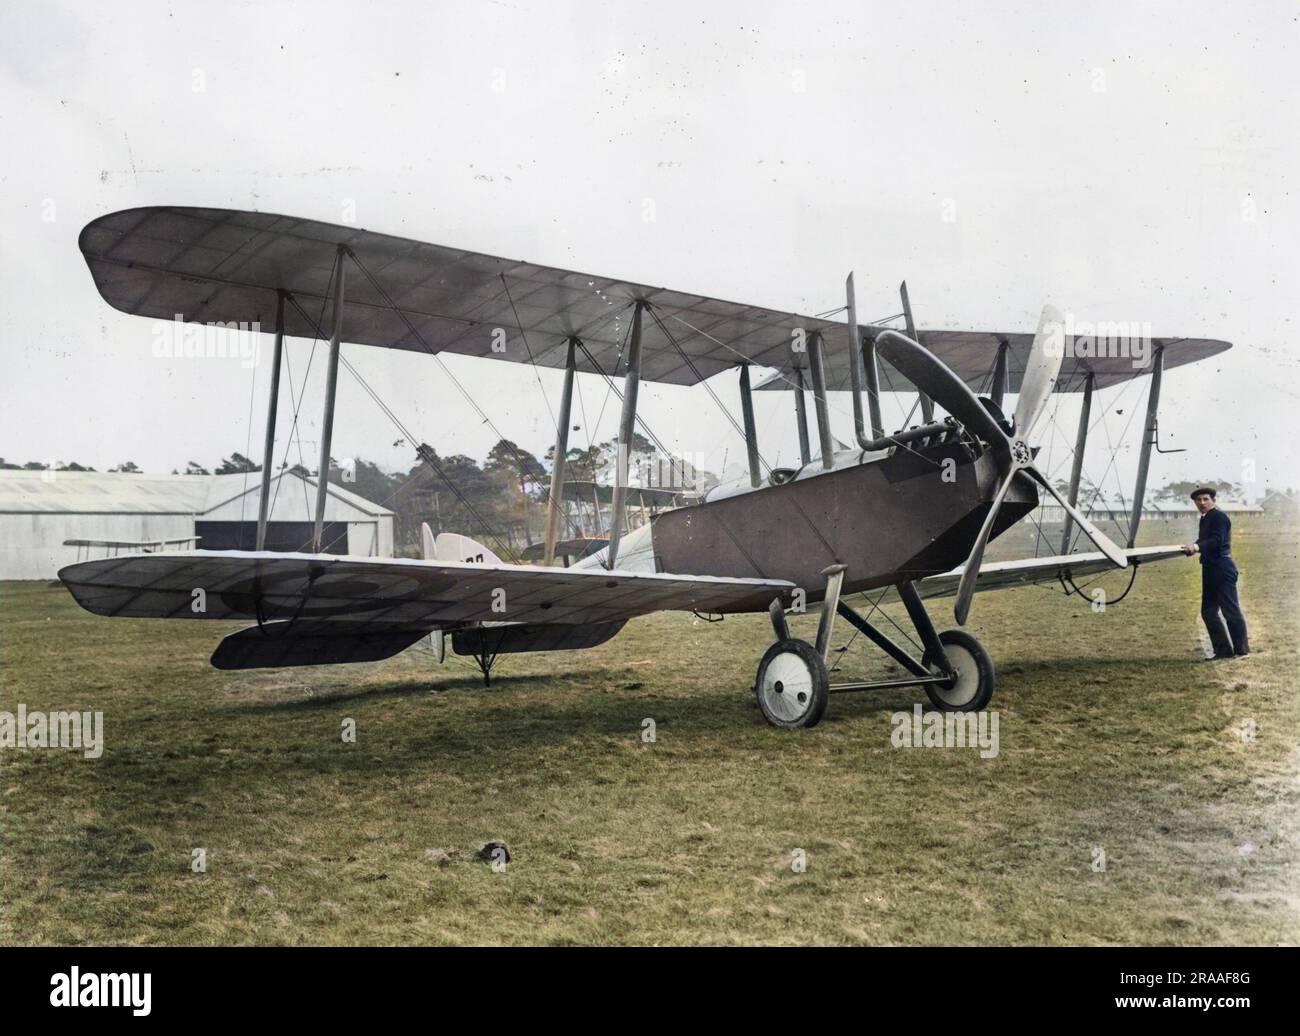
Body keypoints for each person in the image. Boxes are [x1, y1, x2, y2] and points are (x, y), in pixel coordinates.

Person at [1182, 487, 1249, 659]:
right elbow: (1205, 540)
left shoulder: (1220, 517)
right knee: (1209, 612)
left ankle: (1242, 652)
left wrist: (1196, 547)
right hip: (1210, 569)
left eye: (1205, 499)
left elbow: (1217, 541)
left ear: (1213, 500)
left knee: (1231, 612)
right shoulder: (1205, 519)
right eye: (1198, 500)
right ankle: (1223, 652)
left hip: (1223, 568)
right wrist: (1193, 546)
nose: (1202, 503)